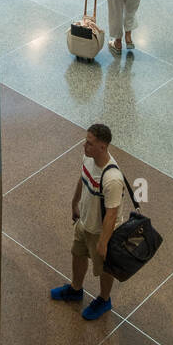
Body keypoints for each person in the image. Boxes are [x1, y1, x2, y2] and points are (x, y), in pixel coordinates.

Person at [50, 125, 126, 323]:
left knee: (105, 268)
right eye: (86, 141)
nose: (85, 145)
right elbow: (82, 179)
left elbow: (112, 214)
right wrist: (74, 202)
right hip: (84, 221)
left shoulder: (112, 178)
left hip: (101, 231)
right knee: (77, 253)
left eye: (90, 143)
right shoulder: (88, 158)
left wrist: (103, 242)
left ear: (103, 147)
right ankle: (76, 289)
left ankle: (104, 299)